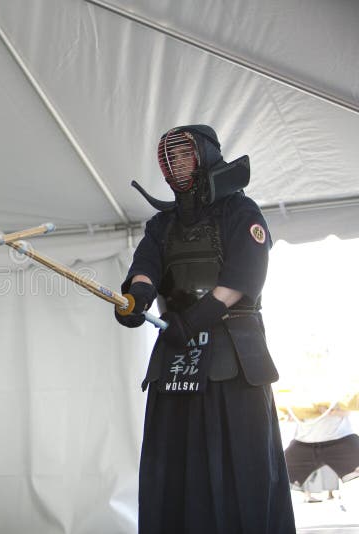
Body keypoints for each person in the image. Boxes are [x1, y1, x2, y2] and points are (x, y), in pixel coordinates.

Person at [116, 125, 295, 533]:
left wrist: (196, 319)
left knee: (241, 463)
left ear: (207, 156)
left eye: (185, 154)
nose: (178, 164)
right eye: (171, 157)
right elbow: (145, 269)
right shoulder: (161, 226)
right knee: (175, 465)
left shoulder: (241, 211)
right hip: (178, 355)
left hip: (232, 353)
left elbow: (244, 275)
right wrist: (135, 301)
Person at [285, 406, 359, 500]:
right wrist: (293, 416)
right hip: (304, 442)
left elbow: (349, 408)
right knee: (277, 472)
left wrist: (335, 412)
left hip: (341, 439)